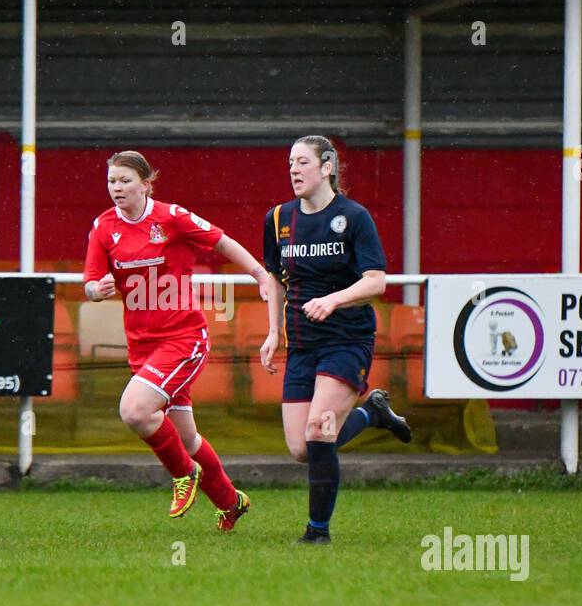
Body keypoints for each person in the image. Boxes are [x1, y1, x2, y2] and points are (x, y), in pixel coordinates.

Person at [84, 151, 271, 530]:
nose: (116, 189)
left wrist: (260, 274)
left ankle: (184, 475)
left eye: (125, 181)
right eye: (111, 182)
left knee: (135, 411)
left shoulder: (172, 218)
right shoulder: (104, 227)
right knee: (186, 438)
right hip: (142, 345)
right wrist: (96, 289)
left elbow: (222, 241)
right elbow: (89, 282)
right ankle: (231, 501)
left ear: (145, 184)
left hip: (184, 337)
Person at [259, 136, 412, 544]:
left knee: (319, 430)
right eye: (290, 162)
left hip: (347, 339)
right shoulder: (278, 219)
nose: (294, 169)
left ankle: (317, 533)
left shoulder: (354, 217)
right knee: (301, 448)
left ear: (327, 167)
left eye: (303, 162)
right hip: (303, 344)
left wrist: (333, 300)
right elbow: (274, 278)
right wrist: (274, 331)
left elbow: (376, 281)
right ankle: (372, 415)